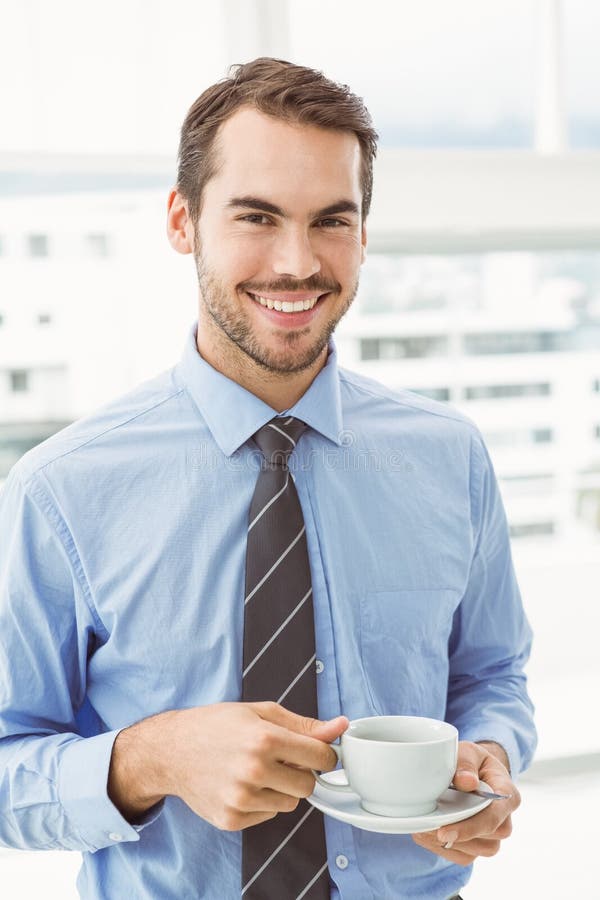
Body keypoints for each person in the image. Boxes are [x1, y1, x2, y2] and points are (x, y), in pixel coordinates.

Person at [0, 58, 536, 899]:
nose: (297, 264)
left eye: (331, 220)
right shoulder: (60, 489)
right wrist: (148, 759)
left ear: (363, 232)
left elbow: (490, 676)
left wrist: (488, 761)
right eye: (256, 216)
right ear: (183, 221)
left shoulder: (450, 457)